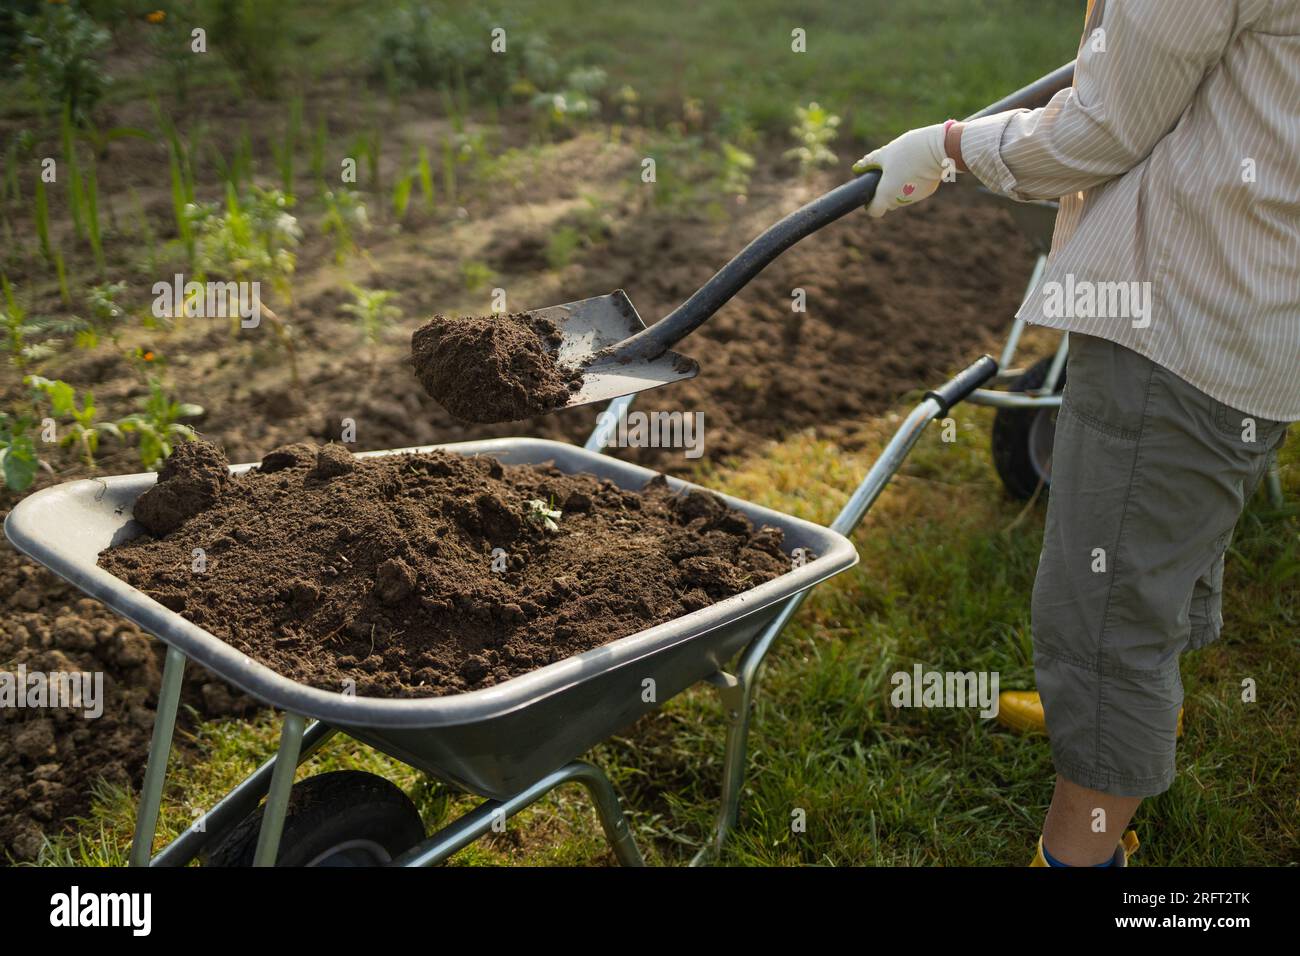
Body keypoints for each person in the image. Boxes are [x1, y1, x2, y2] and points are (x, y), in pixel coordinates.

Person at [853, 0, 1298, 867]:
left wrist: (950, 146)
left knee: (1104, 619)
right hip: (1251, 301)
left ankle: (1080, 855)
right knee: (1159, 551)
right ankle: (1120, 722)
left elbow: (1100, 131)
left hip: (1178, 320)